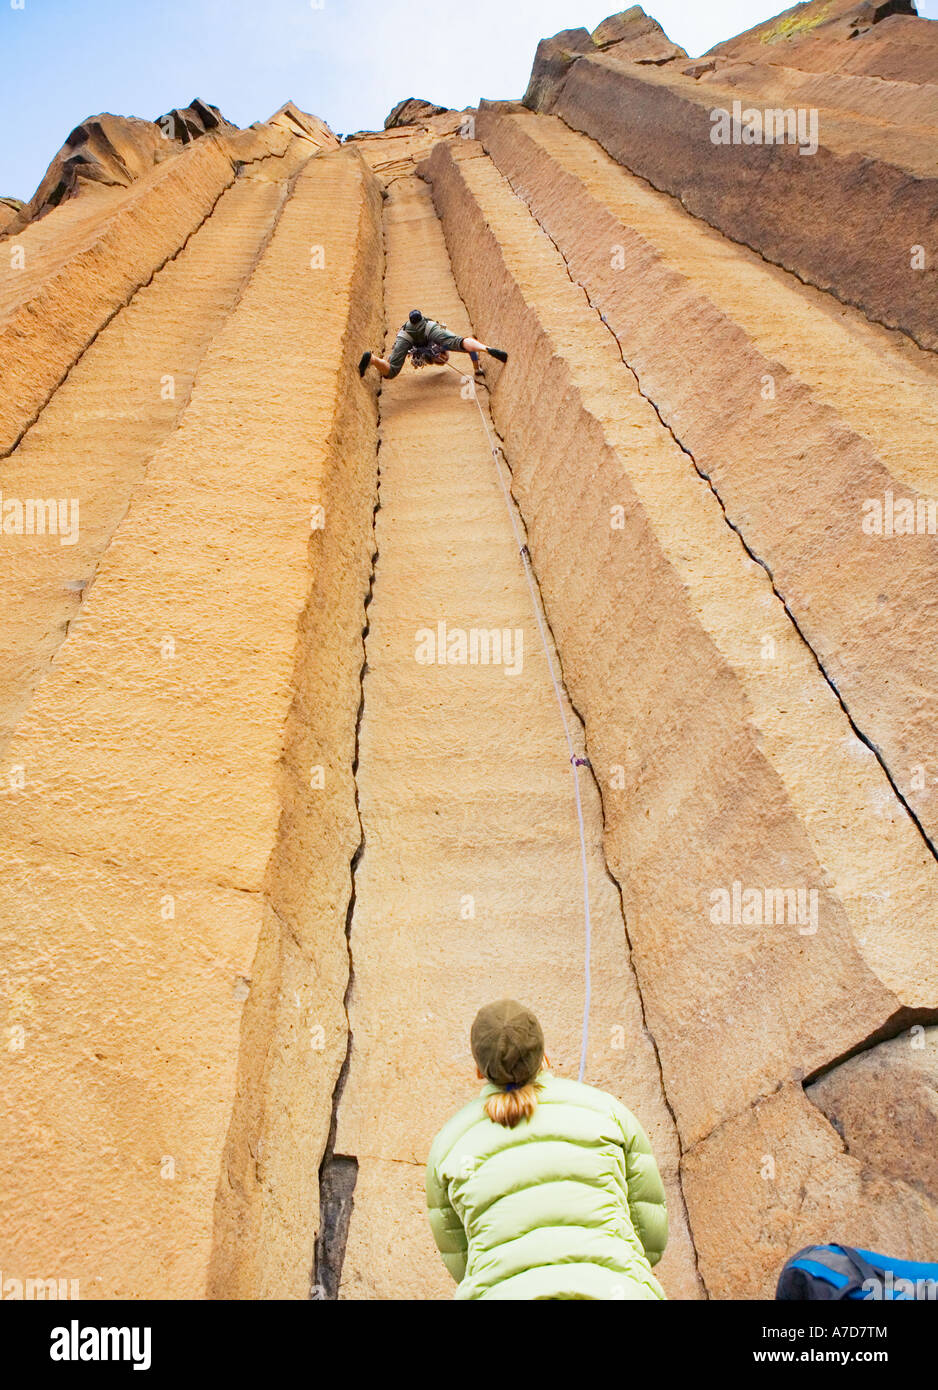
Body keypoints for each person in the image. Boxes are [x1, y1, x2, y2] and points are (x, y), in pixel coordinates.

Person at [425, 998, 668, 1300]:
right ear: (544, 1055)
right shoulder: (608, 1113)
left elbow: (462, 1261)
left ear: (478, 1069)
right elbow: (651, 1236)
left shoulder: (449, 1145)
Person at [358, 308, 508, 381]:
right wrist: (477, 369)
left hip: (406, 334)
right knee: (461, 342)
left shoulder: (422, 350)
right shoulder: (441, 344)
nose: (443, 357)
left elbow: (395, 355)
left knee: (391, 370)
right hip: (429, 327)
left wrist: (477, 369)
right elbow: (467, 347)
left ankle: (373, 359)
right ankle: (485, 348)